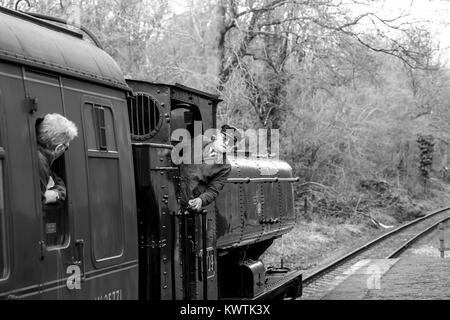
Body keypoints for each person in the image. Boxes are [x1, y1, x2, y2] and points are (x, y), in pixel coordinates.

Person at [180, 124, 241, 212]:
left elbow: (213, 190)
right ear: (218, 136)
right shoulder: (198, 141)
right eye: (224, 138)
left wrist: (201, 200)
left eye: (231, 142)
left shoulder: (225, 167)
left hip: (187, 201)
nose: (226, 143)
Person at [36, 113, 78, 205]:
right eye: (66, 147)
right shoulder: (40, 162)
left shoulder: (40, 158)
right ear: (58, 148)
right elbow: (37, 201)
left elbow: (58, 184)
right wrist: (47, 196)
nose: (65, 150)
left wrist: (55, 194)